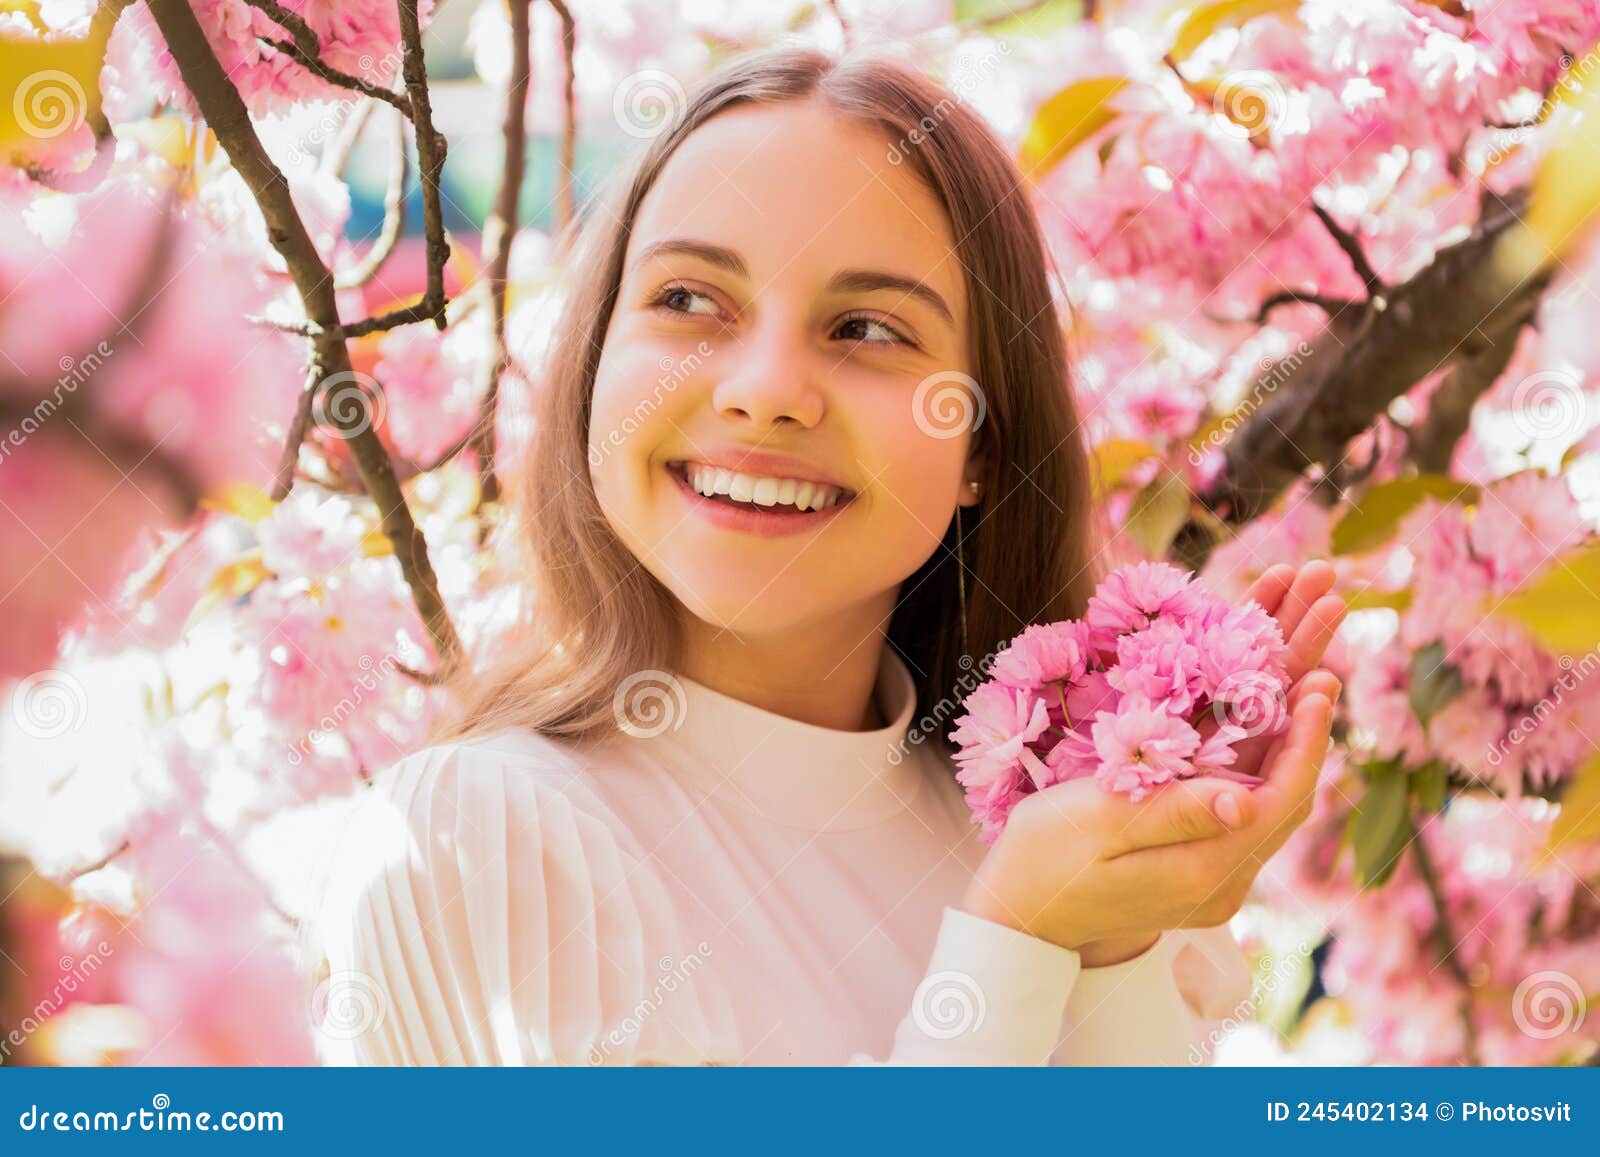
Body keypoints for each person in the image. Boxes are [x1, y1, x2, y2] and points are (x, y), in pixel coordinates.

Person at [315, 44, 1346, 1066]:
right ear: (592, 365)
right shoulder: (483, 837)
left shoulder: (1042, 824)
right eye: (688, 300)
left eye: (866, 327)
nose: (766, 390)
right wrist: (1019, 937)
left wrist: (1112, 931)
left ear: (982, 447)